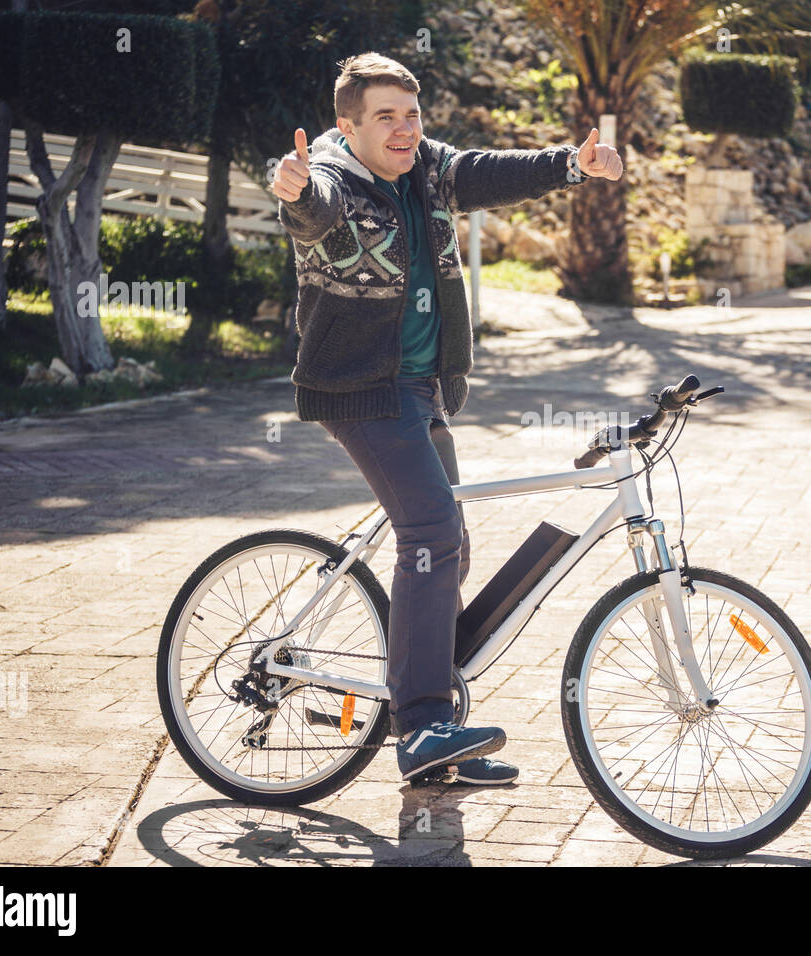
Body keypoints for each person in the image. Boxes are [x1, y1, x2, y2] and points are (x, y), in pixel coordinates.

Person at [271, 52, 623, 785]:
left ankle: (439, 738)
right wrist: (296, 192)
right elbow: (315, 211)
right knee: (428, 532)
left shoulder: (429, 166)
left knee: (448, 547)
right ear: (348, 125)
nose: (402, 130)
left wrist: (573, 164)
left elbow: (489, 171)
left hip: (424, 387)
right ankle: (423, 723)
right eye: (384, 117)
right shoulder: (333, 175)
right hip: (362, 387)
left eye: (412, 115)